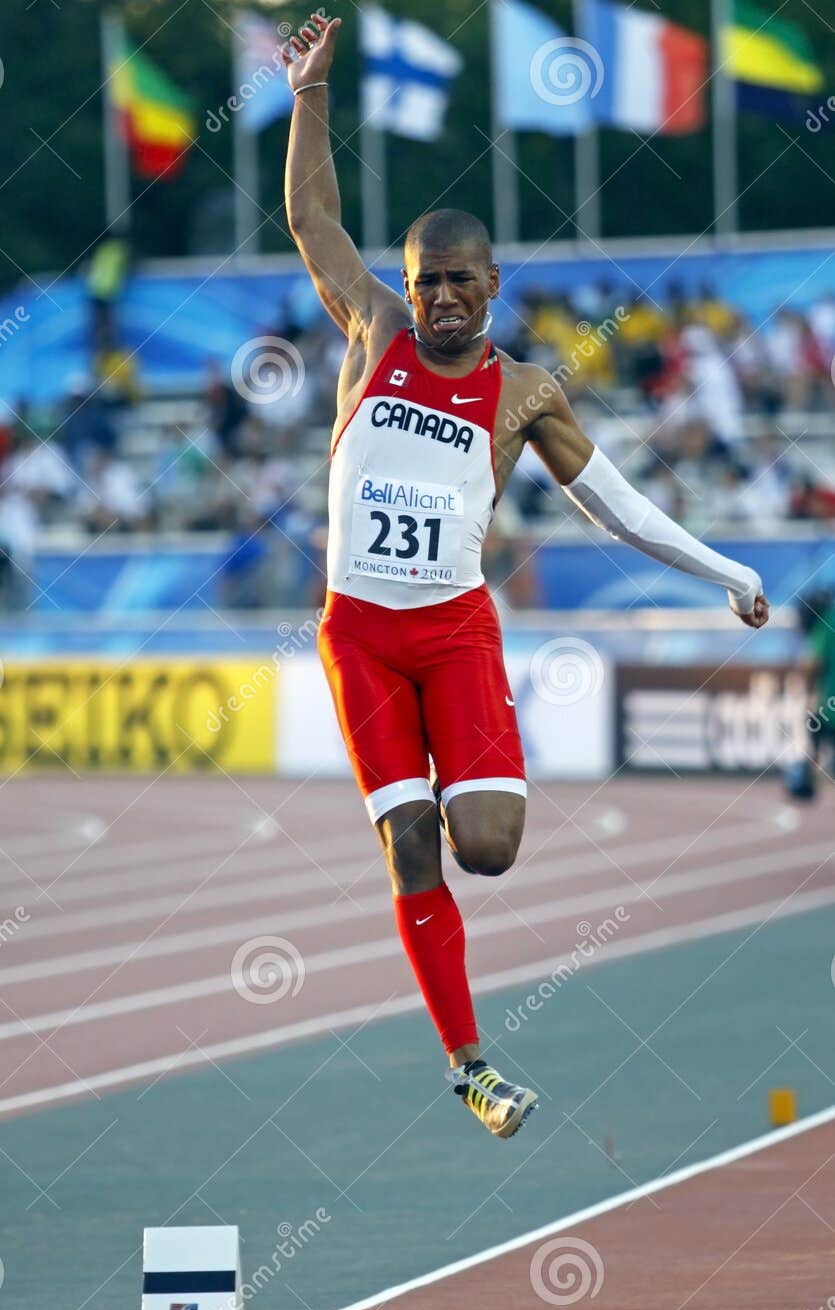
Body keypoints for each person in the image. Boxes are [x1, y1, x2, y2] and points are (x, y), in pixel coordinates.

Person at [281, 13, 770, 1141]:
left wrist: (722, 568)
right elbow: (312, 218)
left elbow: (611, 502)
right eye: (424, 281)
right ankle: (469, 1065)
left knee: (485, 848)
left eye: (458, 280)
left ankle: (457, 845)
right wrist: (311, 95)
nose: (439, 297)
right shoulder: (371, 331)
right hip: (357, 633)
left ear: (493, 283)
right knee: (406, 840)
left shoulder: (524, 391)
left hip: (454, 631)